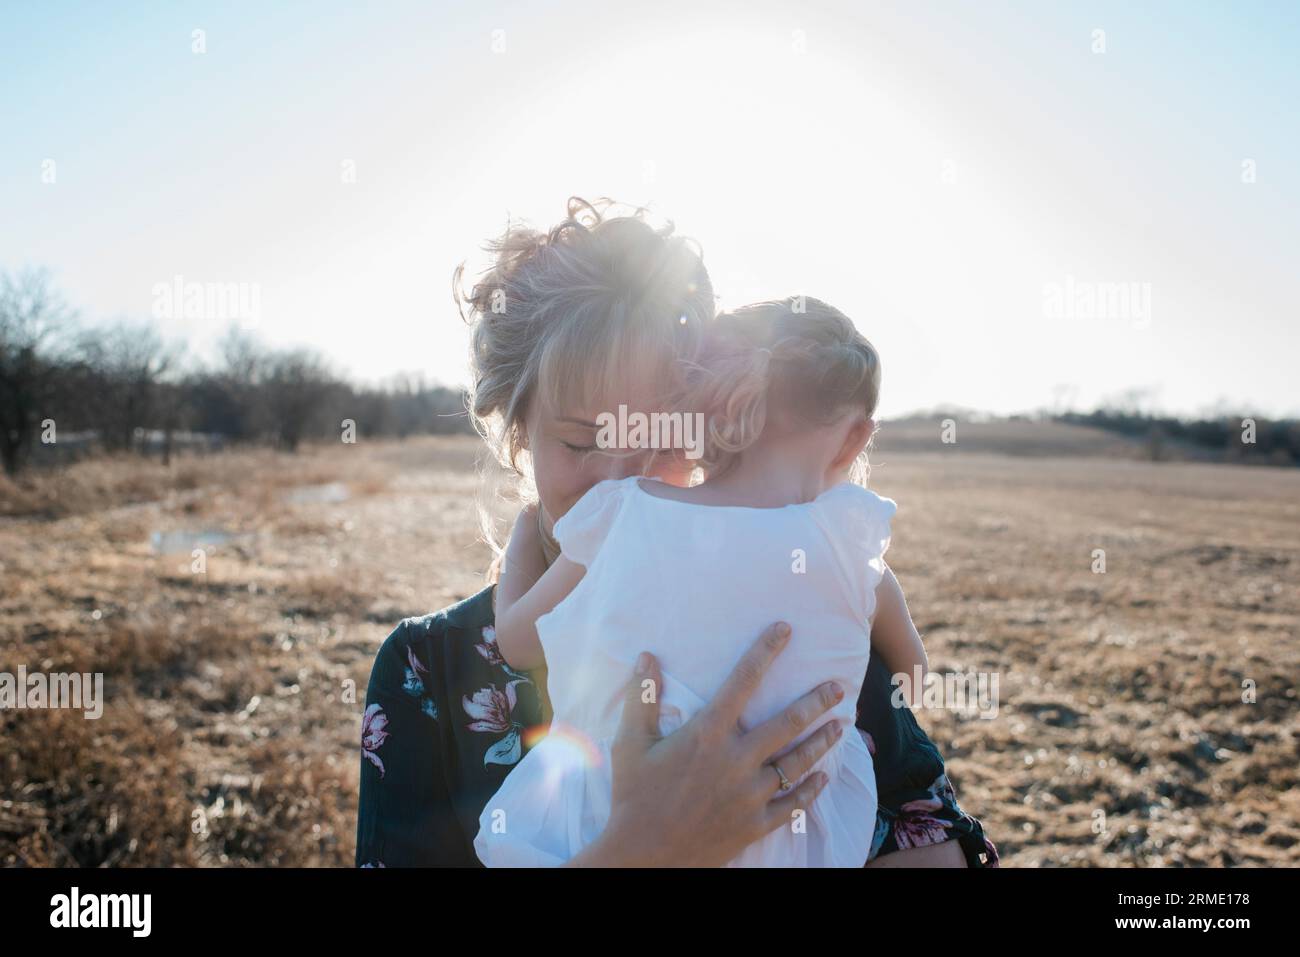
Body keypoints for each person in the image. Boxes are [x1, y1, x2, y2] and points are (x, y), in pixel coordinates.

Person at [355, 198, 997, 867]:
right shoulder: (427, 668)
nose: (619, 480)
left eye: (664, 434)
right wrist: (645, 849)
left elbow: (933, 845)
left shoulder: (798, 618)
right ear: (520, 433)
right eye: (581, 440)